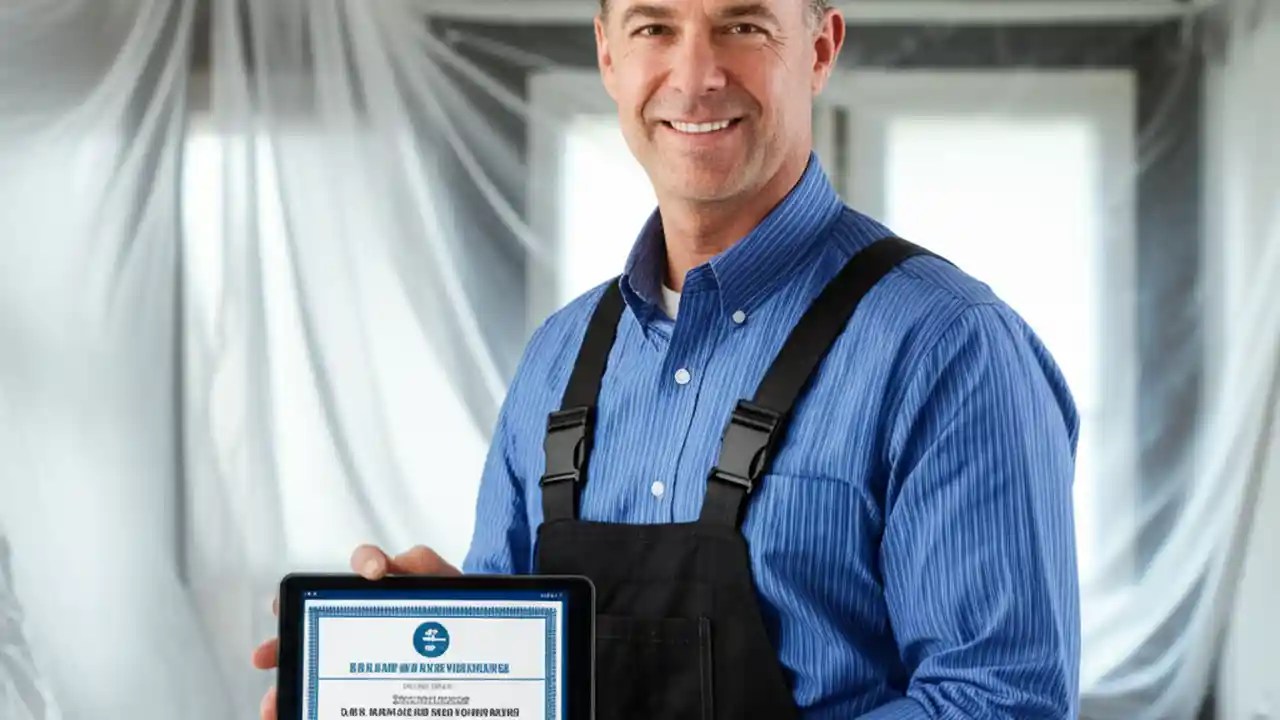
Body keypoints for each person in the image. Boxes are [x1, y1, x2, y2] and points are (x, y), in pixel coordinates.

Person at [254, 0, 1081, 716]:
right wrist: (421, 666)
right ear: (609, 54)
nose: (696, 75)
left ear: (821, 49)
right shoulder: (559, 357)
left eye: (743, 25)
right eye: (655, 25)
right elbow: (519, 695)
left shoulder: (946, 345)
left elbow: (1000, 702)